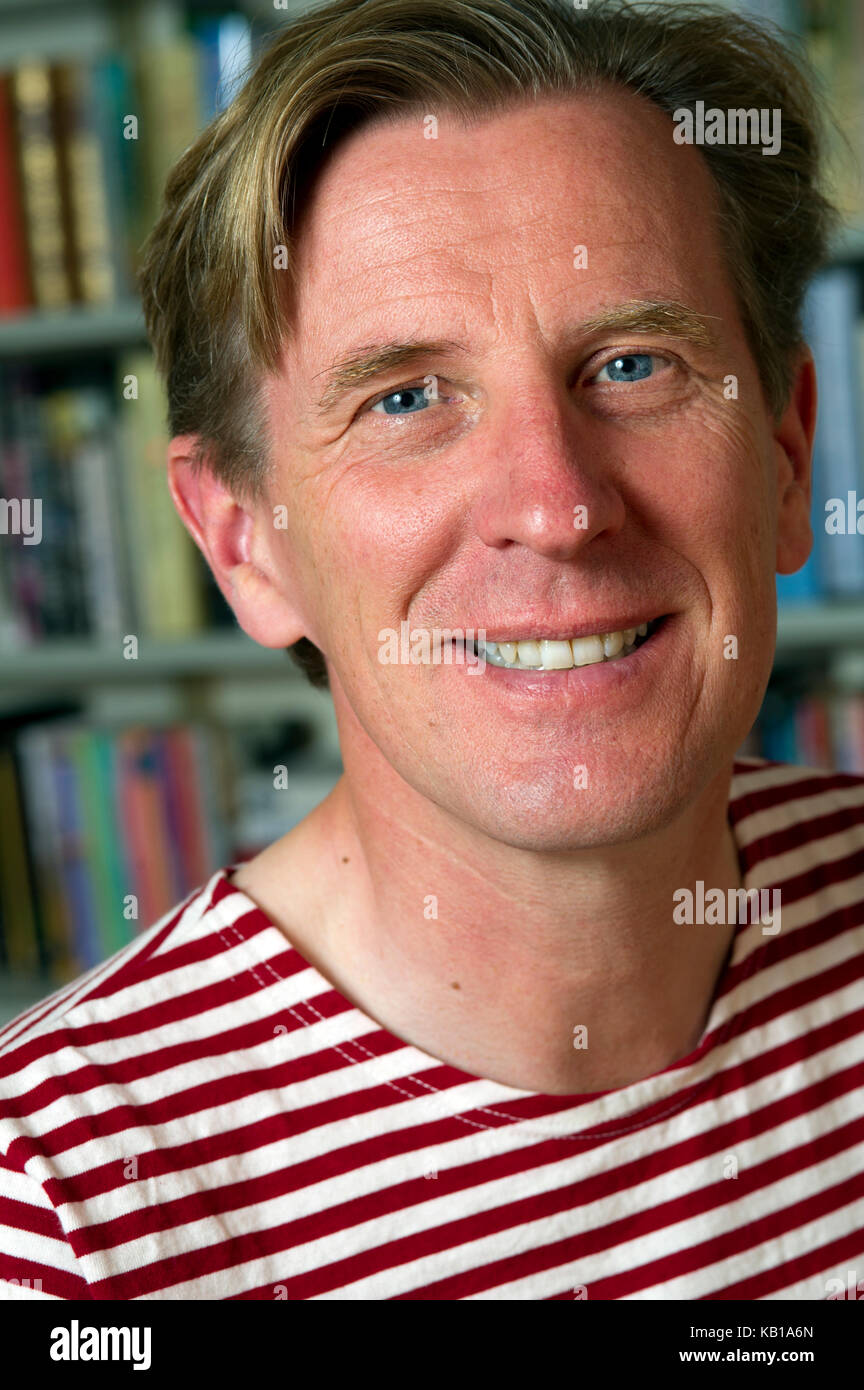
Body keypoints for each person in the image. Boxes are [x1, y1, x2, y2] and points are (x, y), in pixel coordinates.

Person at [2, 0, 863, 1302]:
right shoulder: (67, 1217)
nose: (557, 504)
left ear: (788, 456)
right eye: (405, 398)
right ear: (245, 545)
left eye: (633, 364)